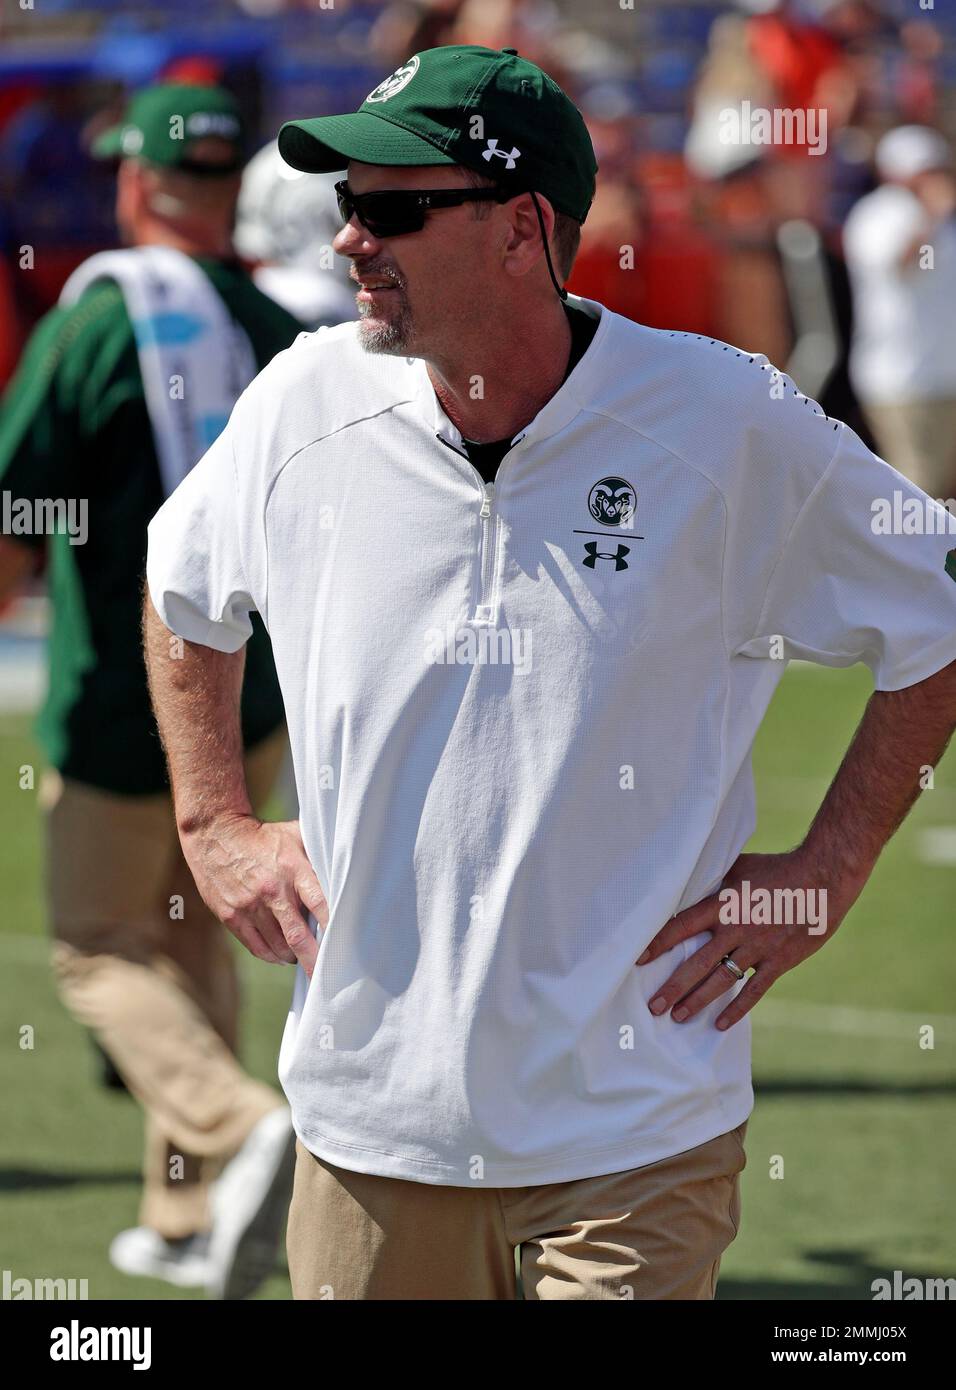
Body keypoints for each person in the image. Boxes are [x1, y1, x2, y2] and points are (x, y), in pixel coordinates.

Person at [143, 46, 956, 1301]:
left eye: (393, 208)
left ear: (522, 227)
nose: (350, 240)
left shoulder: (723, 420)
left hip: (635, 1137)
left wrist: (825, 867)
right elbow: (178, 588)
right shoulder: (299, 405)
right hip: (368, 1131)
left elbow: (937, 612)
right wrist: (212, 820)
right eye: (344, 207)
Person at [0, 82, 303, 1299]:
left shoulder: (95, 319)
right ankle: (184, 1217)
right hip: (258, 691)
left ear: (133, 183)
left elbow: (17, 510)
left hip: (127, 697)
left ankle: (237, 1129)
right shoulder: (278, 325)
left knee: (94, 949)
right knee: (195, 938)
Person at [843, 124, 956, 500]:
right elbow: (904, 268)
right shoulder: (878, 214)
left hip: (945, 375)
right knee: (920, 495)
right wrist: (930, 217)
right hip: (903, 378)